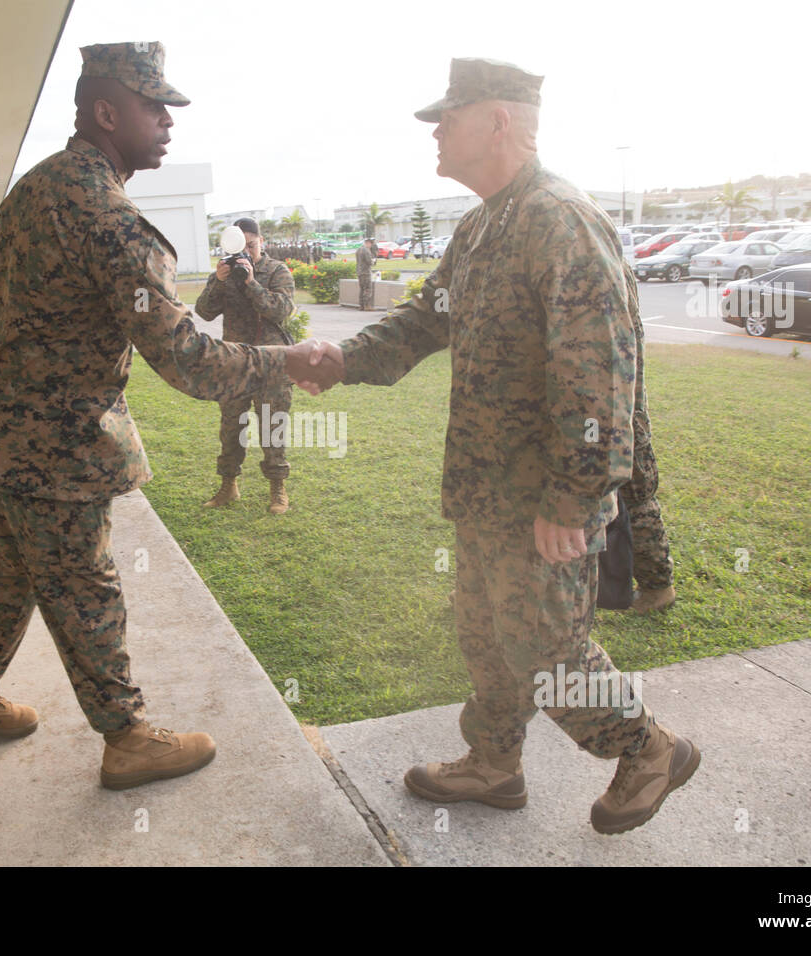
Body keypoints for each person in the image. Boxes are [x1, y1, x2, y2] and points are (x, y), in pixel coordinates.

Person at [291, 58, 699, 834]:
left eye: (448, 117)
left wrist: (574, 497)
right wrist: (343, 360)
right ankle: (493, 763)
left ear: (497, 122)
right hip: (485, 491)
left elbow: (599, 374)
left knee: (547, 647)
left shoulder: (560, 219)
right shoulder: (483, 227)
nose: (436, 133)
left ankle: (648, 749)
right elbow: (425, 319)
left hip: (541, 499)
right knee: (485, 633)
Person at [0, 42, 320, 790]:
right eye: (153, 106)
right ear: (107, 112)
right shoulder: (110, 218)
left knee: (15, 561)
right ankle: (128, 737)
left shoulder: (36, 188)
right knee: (84, 582)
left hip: (2, 424)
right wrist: (287, 360)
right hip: (58, 438)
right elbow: (188, 362)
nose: (169, 122)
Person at [195, 218, 297, 514]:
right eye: (242, 247)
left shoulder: (276, 270)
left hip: (272, 363)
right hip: (234, 362)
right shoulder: (225, 273)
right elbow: (204, 311)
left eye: (251, 246)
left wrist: (251, 283)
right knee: (231, 427)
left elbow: (281, 310)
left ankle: (277, 489)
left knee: (272, 425)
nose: (247, 252)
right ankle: (229, 486)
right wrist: (218, 281)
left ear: (260, 242)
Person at [619, 263, 676, 614]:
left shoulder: (604, 262)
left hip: (622, 411)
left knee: (635, 495)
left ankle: (657, 587)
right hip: (608, 406)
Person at [356, 237, 377, 310]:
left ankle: (361, 306)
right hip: (365, 272)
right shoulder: (366, 250)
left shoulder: (359, 249)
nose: (371, 246)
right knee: (368, 289)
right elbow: (369, 262)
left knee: (361, 289)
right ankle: (367, 306)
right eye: (371, 244)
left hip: (359, 271)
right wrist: (373, 261)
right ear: (368, 243)